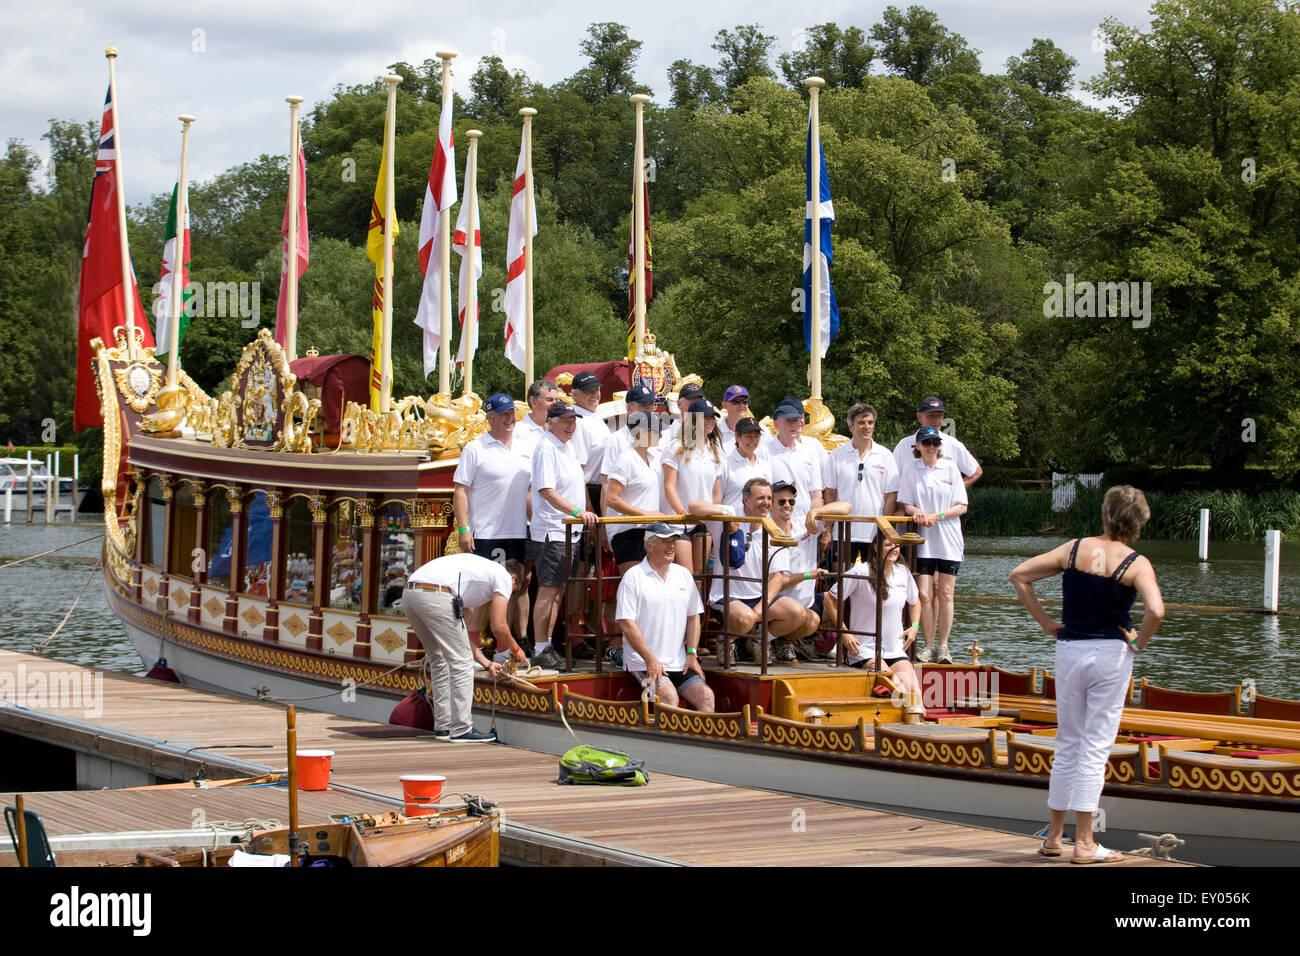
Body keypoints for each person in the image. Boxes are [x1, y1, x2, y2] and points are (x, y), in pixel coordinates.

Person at [1009, 485, 1164, 864]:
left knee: (1068, 742)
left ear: (1105, 514)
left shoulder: (1074, 549)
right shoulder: (1136, 563)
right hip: (1111, 653)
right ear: (1139, 521)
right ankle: (1084, 843)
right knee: (1095, 746)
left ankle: (1054, 838)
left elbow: (1019, 575)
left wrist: (1046, 623)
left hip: (1070, 649)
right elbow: (1156, 611)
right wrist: (1139, 642)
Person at [403, 552, 528, 742]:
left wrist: (487, 663)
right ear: (513, 578)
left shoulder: (475, 585)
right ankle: (462, 729)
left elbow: (461, 637)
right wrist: (517, 650)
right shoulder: (502, 575)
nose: (508, 596)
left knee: (440, 660)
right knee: (461, 664)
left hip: (411, 594)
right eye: (514, 591)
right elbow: (498, 626)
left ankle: (443, 727)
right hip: (437, 595)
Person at [452, 391, 532, 645]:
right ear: (490, 418)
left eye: (512, 414)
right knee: (481, 592)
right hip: (487, 532)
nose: (510, 419)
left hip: (519, 530)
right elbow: (460, 490)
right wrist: (464, 528)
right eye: (503, 415)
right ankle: (471, 647)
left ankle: (503, 648)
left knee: (511, 589)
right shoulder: (475, 449)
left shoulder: (525, 447)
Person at [615, 522, 715, 712]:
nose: (671, 546)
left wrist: (692, 653)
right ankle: (670, 740)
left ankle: (702, 740)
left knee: (707, 697)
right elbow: (626, 624)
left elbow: (694, 616)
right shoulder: (633, 577)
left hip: (678, 662)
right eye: (665, 542)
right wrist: (650, 660)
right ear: (649, 545)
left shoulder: (684, 574)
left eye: (673, 541)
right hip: (641, 663)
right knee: (668, 697)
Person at [702, 478, 802, 665]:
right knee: (746, 617)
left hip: (757, 597)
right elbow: (694, 506)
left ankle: (759, 640)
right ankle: (727, 641)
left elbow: (777, 577)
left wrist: (762, 606)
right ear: (746, 500)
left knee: (798, 613)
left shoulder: (774, 529)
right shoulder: (730, 516)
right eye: (760, 498)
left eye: (769, 498)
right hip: (726, 597)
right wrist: (725, 514)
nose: (766, 502)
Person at [528, 400, 597, 669]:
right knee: (548, 590)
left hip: (569, 530)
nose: (572, 425)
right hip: (554, 529)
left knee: (557, 592)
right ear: (551, 422)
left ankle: (546, 646)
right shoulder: (547, 448)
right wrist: (579, 511)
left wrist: (581, 514)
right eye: (566, 421)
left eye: (574, 420)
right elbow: (546, 490)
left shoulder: (565, 447)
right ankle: (540, 647)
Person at [897, 426, 968, 664]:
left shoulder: (950, 468)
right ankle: (927, 646)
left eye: (935, 443)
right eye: (926, 443)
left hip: (948, 539)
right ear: (918, 446)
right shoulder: (910, 469)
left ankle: (944, 647)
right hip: (923, 540)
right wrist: (918, 513)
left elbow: (961, 505)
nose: (931, 447)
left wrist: (937, 515)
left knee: (946, 593)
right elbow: (907, 503)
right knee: (925, 594)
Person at [836, 539, 922, 707]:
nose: (894, 549)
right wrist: (844, 632)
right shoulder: (861, 571)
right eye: (888, 544)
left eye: (896, 545)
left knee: (915, 690)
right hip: (864, 649)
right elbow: (830, 599)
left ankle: (924, 727)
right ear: (876, 547)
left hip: (895, 648)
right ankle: (901, 727)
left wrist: (915, 626)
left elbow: (915, 601)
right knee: (896, 684)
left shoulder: (903, 572)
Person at [823, 403, 899, 564]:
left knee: (874, 582)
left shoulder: (885, 455)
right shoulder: (837, 455)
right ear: (851, 426)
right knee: (843, 581)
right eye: (861, 423)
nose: (867, 427)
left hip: (874, 533)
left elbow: (891, 496)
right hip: (843, 532)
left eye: (870, 422)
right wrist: (828, 529)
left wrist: (884, 529)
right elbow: (829, 494)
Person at [765, 479, 832, 661]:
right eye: (781, 501)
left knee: (813, 620)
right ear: (770, 504)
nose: (787, 505)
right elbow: (776, 582)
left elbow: (846, 507)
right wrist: (809, 575)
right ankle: (760, 642)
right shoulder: (765, 532)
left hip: (800, 604)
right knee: (799, 613)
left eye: (791, 501)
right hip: (773, 601)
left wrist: (816, 511)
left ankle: (780, 641)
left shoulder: (804, 525)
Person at [662, 397, 724, 574]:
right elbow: (669, 486)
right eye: (705, 417)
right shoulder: (676, 446)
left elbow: (716, 491)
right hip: (678, 522)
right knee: (685, 574)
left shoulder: (716, 451)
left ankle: (699, 604)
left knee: (699, 574)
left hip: (704, 521)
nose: (710, 421)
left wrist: (715, 515)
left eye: (712, 417)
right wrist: (682, 513)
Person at [603, 411, 665, 573]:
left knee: (650, 586)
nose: (661, 435)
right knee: (636, 586)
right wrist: (646, 514)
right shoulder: (626, 459)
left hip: (647, 531)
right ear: (642, 432)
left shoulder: (651, 457)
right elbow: (611, 499)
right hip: (627, 532)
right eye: (657, 430)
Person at [892, 396, 982, 489]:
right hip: (911, 503)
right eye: (931, 416)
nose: (936, 421)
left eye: (939, 416)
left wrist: (955, 492)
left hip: (943, 503)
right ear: (919, 417)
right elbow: (891, 479)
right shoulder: (904, 445)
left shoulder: (952, 444)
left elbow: (976, 472)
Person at [766, 398, 827, 528]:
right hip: (776, 525)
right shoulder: (764, 452)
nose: (795, 424)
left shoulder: (810, 451)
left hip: (806, 527)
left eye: (797, 419)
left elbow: (816, 494)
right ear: (776, 424)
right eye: (789, 421)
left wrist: (814, 520)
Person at [720, 416, 771, 510]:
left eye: (756, 437)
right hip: (733, 522)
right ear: (737, 437)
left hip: (760, 523)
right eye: (748, 437)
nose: (753, 441)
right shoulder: (725, 465)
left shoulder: (765, 466)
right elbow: (717, 501)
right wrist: (727, 516)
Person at [515, 378, 559, 458]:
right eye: (549, 400)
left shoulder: (562, 429)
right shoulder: (517, 431)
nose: (555, 404)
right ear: (533, 401)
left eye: (557, 400)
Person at [718, 385, 751, 451]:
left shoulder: (762, 432)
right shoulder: (714, 433)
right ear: (725, 405)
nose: (742, 405)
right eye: (736, 402)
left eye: (745, 401)